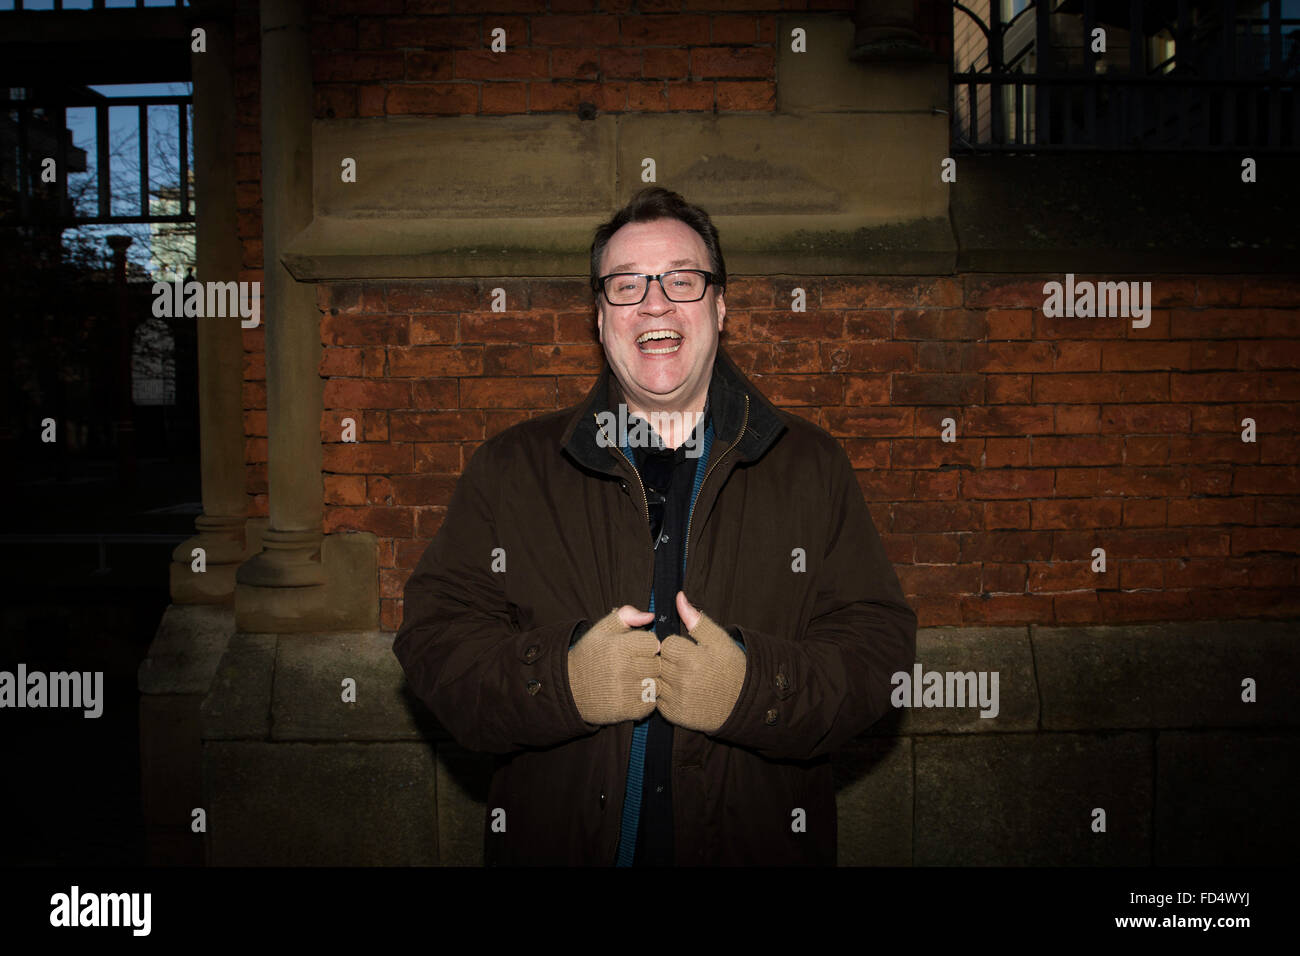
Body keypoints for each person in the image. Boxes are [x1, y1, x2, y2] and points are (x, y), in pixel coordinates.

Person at [393, 186, 917, 866]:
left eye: (682, 280)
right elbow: (435, 645)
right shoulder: (511, 470)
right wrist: (561, 680)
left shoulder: (809, 465)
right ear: (600, 317)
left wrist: (754, 689)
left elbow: (879, 654)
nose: (655, 302)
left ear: (720, 307)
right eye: (626, 285)